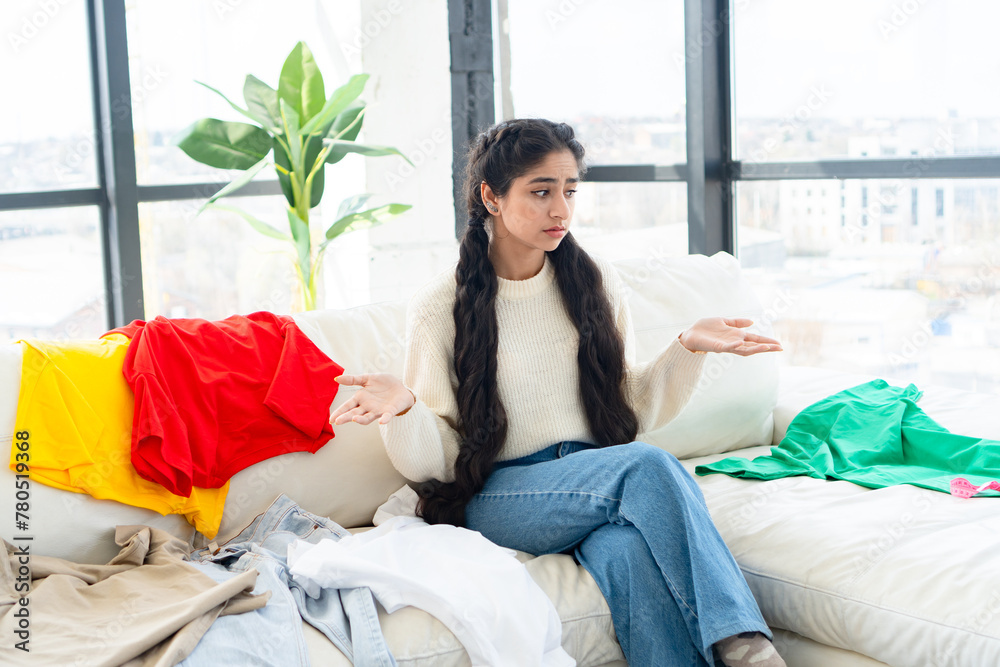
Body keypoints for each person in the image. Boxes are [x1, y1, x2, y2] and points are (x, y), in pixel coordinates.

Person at [330, 118, 786, 667]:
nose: (561, 210)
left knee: (626, 551)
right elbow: (439, 461)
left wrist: (686, 347)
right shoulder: (439, 306)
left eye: (570, 191)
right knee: (648, 467)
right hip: (498, 494)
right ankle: (746, 644)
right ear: (491, 198)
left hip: (589, 478)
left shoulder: (594, 283)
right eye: (541, 192)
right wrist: (404, 411)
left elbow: (629, 410)